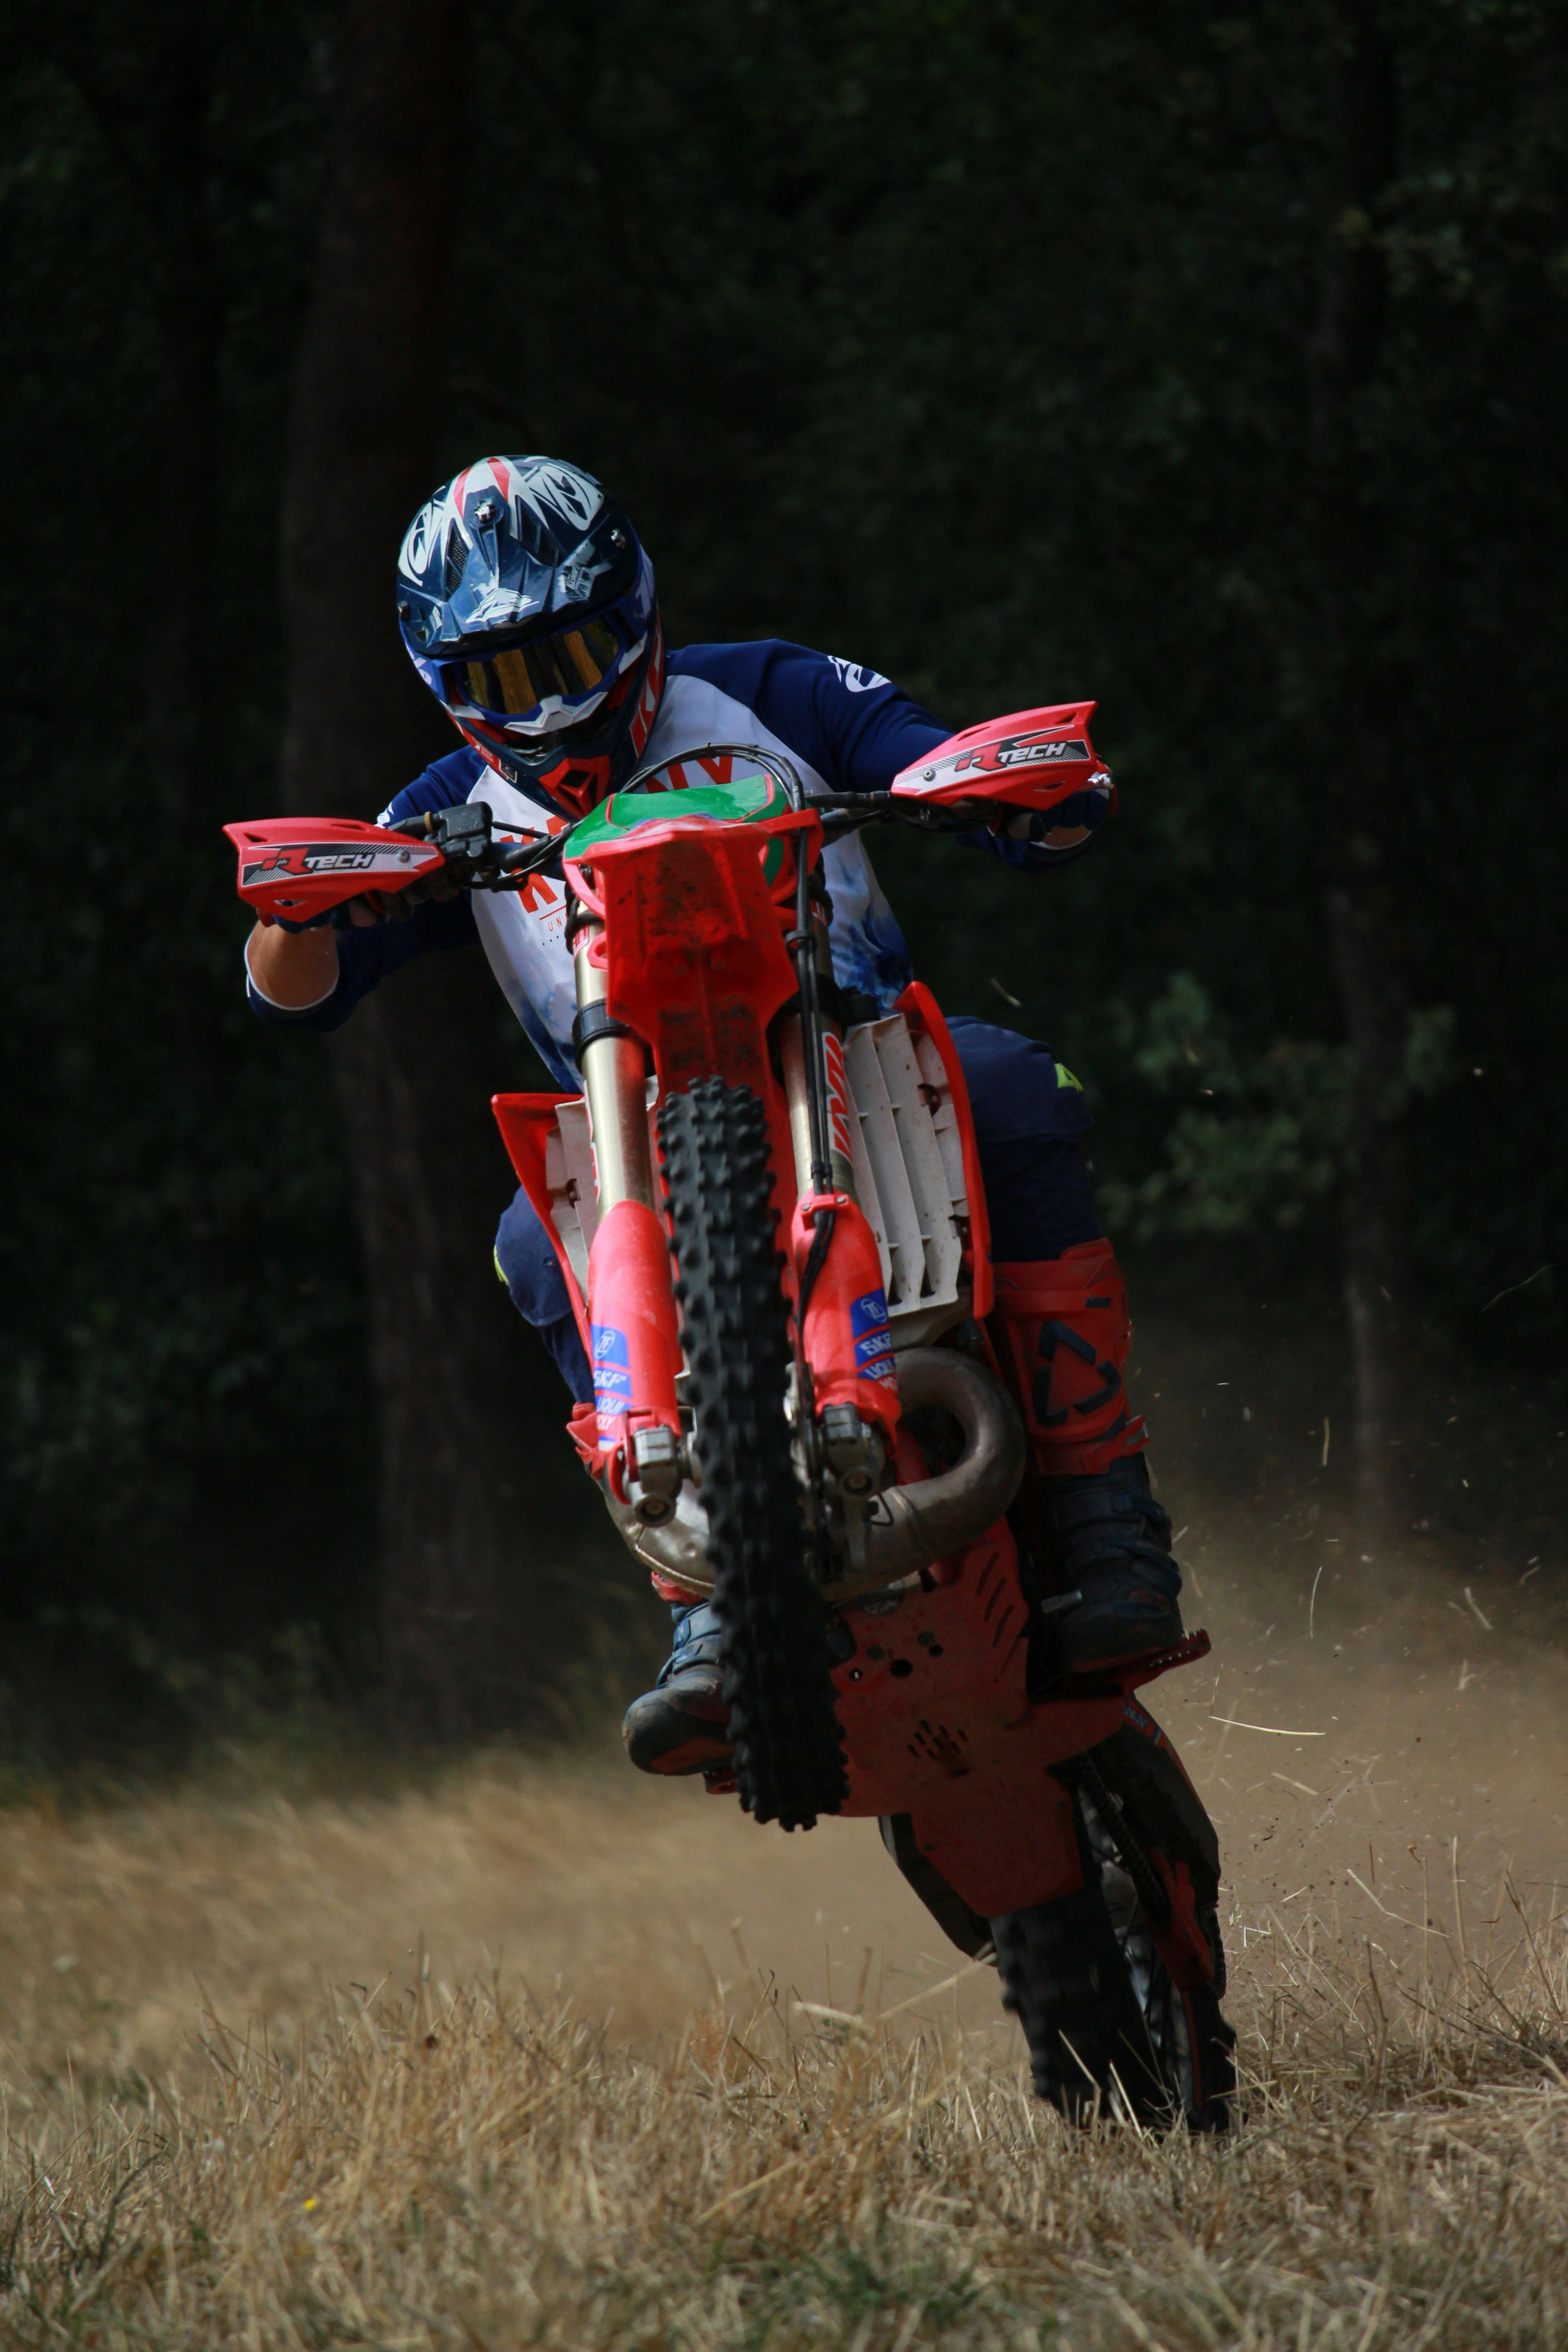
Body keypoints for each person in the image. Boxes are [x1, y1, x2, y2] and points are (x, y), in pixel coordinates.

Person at [245, 454, 1185, 1774]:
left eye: (573, 650)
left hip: (856, 1052)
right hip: (629, 1125)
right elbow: (299, 992)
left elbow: (943, 764)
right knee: (528, 1244)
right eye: (507, 679)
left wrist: (1027, 795)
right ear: (447, 684)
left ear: (632, 611)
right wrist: (299, 916)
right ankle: (700, 1608)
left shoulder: (764, 691)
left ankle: (1105, 1516)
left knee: (1018, 1086)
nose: (555, 702)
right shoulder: (450, 813)